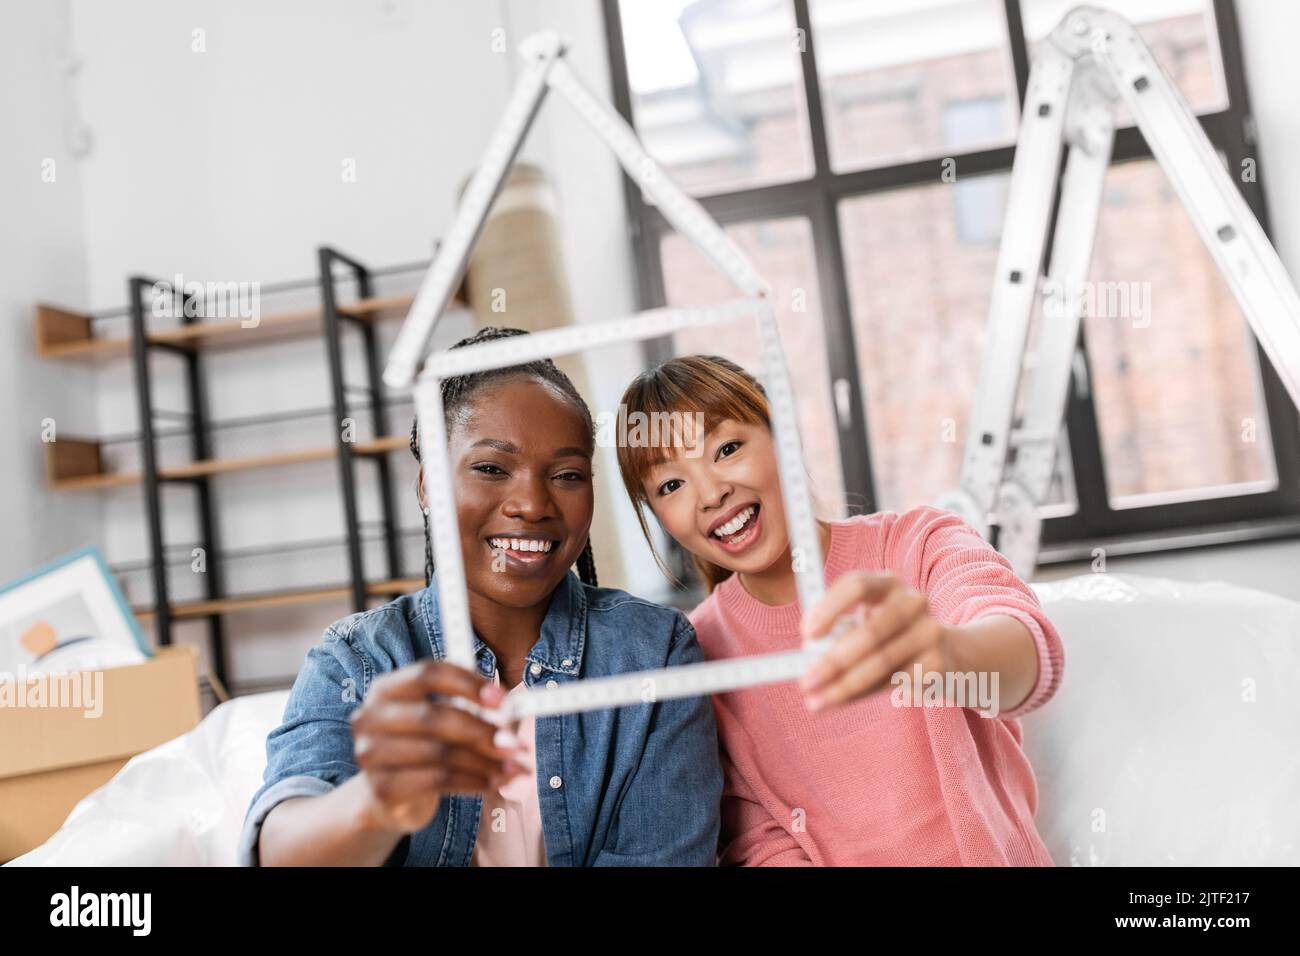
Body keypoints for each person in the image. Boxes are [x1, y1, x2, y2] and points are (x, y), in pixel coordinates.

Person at [237, 328, 722, 866]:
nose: (532, 504)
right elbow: (281, 850)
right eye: (491, 468)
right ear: (428, 488)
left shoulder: (655, 652)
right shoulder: (358, 659)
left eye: (566, 475)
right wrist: (375, 802)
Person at [615, 354, 1065, 866]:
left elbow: (1030, 656)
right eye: (671, 485)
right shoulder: (697, 653)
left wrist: (946, 654)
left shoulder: (918, 544)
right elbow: (756, 841)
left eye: (728, 448)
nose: (712, 492)